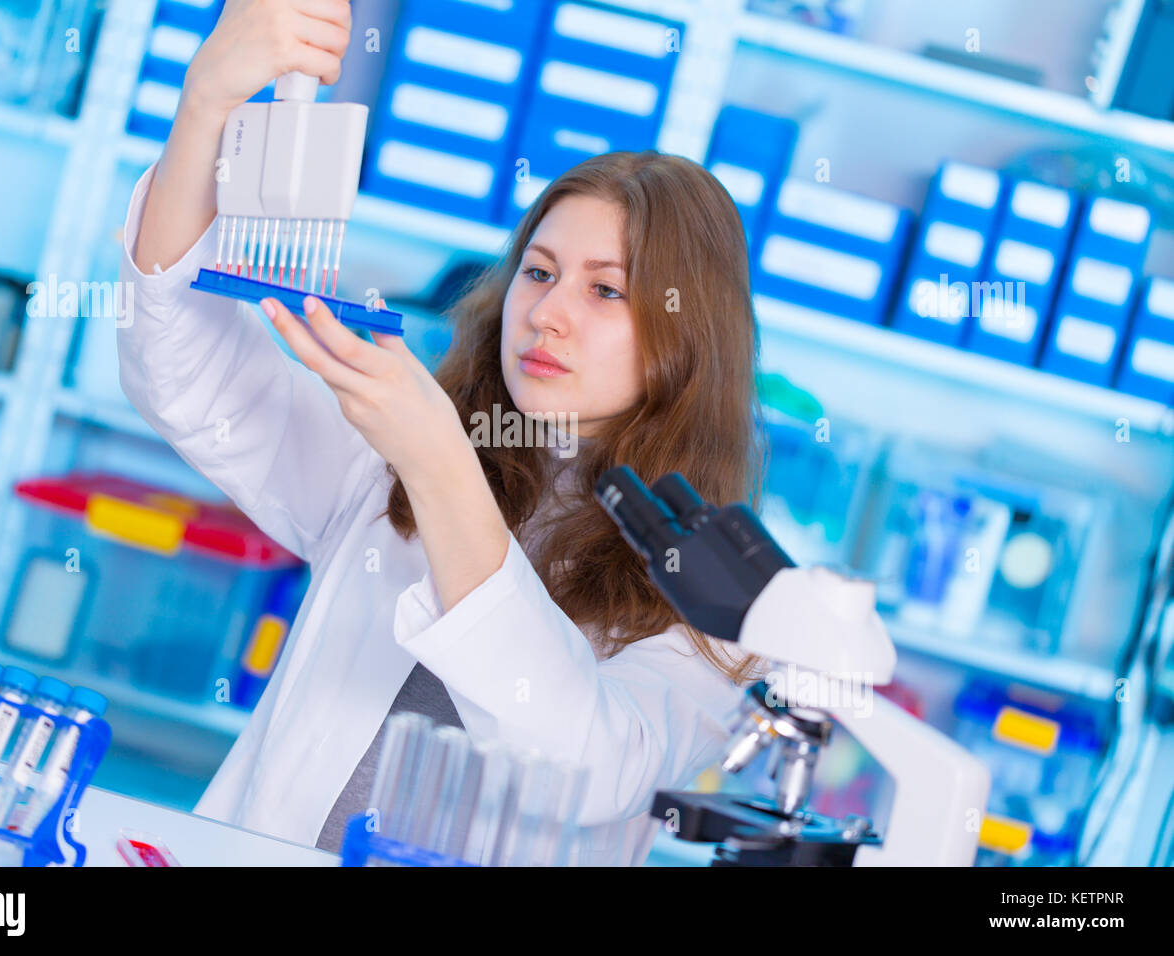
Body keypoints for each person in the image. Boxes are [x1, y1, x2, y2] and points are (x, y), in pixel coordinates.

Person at [119, 0, 766, 866]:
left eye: (605, 290)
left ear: (690, 333)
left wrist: (438, 462)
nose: (548, 314)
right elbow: (192, 377)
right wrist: (205, 102)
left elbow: (586, 762)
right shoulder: (390, 455)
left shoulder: (718, 597)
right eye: (538, 271)